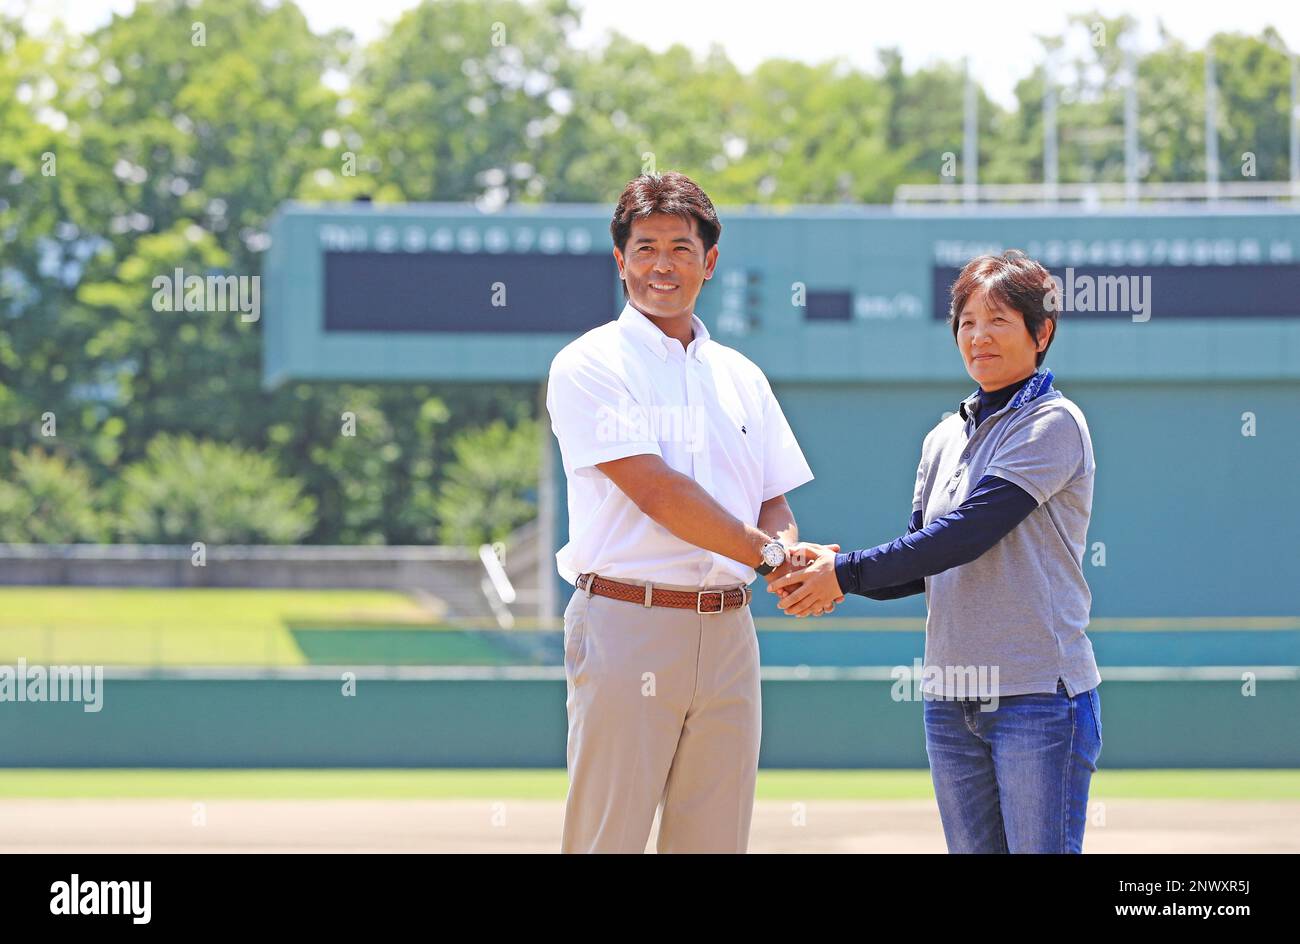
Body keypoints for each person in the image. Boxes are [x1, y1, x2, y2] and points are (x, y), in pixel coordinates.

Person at [770, 250, 1103, 854]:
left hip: (1036, 696)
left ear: (1042, 331)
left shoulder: (1053, 422)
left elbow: (968, 533)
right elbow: (923, 564)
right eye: (967, 322)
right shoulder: (943, 437)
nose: (979, 336)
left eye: (999, 320)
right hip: (950, 698)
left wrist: (841, 574)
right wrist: (819, 568)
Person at [545, 172, 818, 853]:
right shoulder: (589, 363)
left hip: (728, 631)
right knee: (608, 840)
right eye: (644, 248)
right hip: (627, 619)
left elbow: (772, 496)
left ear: (710, 261)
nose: (661, 264)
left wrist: (786, 558)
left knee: (715, 842)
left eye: (680, 247)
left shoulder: (742, 376)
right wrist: (773, 556)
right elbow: (658, 491)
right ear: (620, 260)